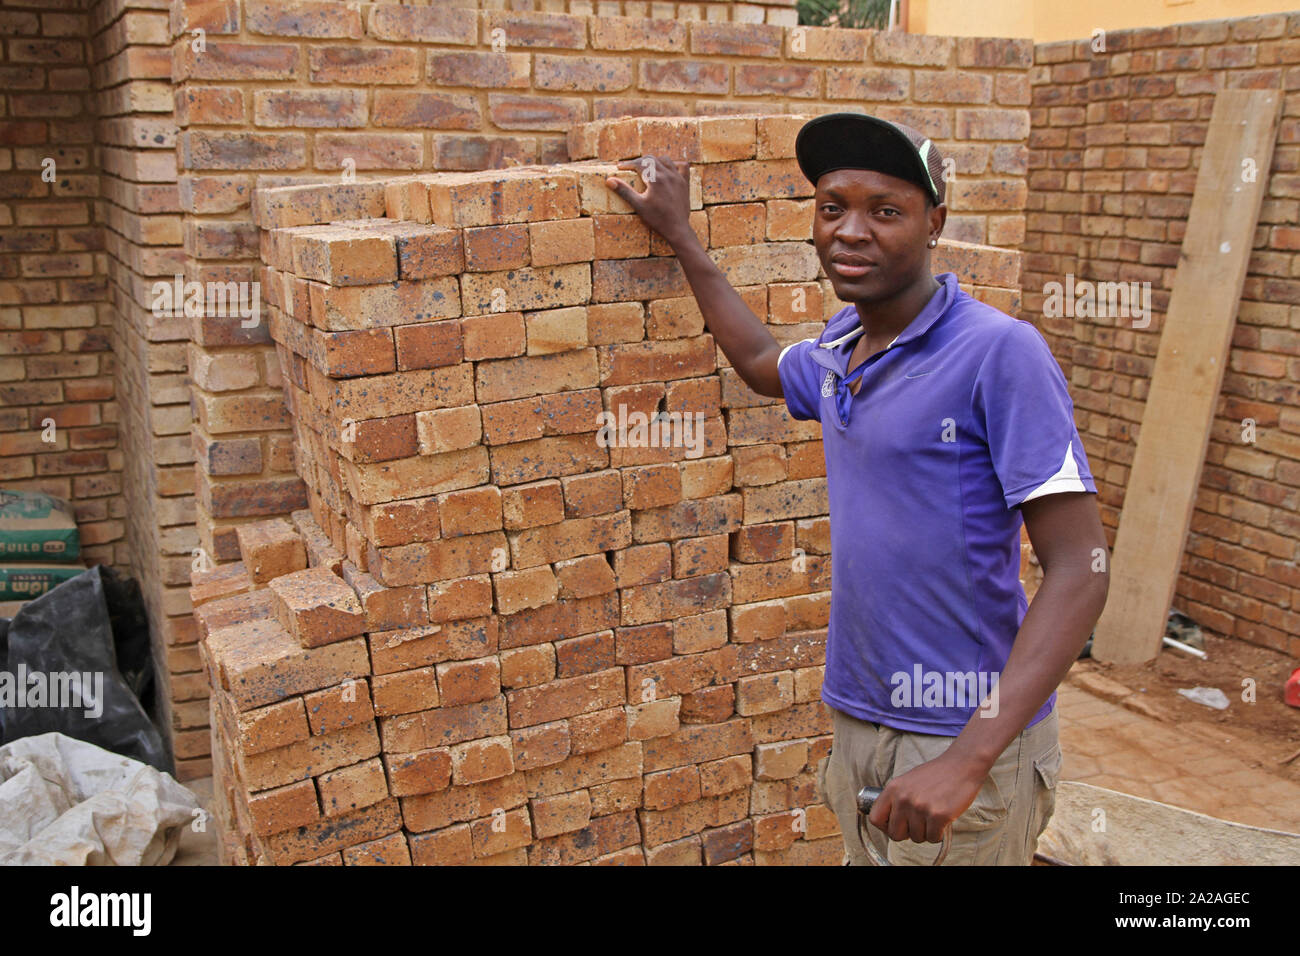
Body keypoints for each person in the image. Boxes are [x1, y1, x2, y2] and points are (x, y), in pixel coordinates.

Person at [604, 112, 1109, 865]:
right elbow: (763, 363)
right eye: (832, 206)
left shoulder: (998, 353)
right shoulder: (843, 347)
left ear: (935, 223)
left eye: (886, 212)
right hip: (861, 722)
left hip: (965, 732)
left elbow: (1082, 571)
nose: (850, 231)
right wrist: (681, 236)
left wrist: (969, 760)